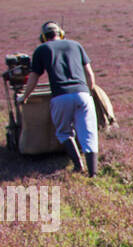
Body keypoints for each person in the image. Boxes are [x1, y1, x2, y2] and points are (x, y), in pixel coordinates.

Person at [18, 21, 99, 177]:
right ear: (61, 33)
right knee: (89, 134)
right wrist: (90, 92)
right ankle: (93, 173)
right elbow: (89, 74)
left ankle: (78, 165)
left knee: (63, 132)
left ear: (43, 37)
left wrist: (25, 96)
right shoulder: (76, 45)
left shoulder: (41, 49)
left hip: (60, 97)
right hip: (83, 95)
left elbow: (34, 77)